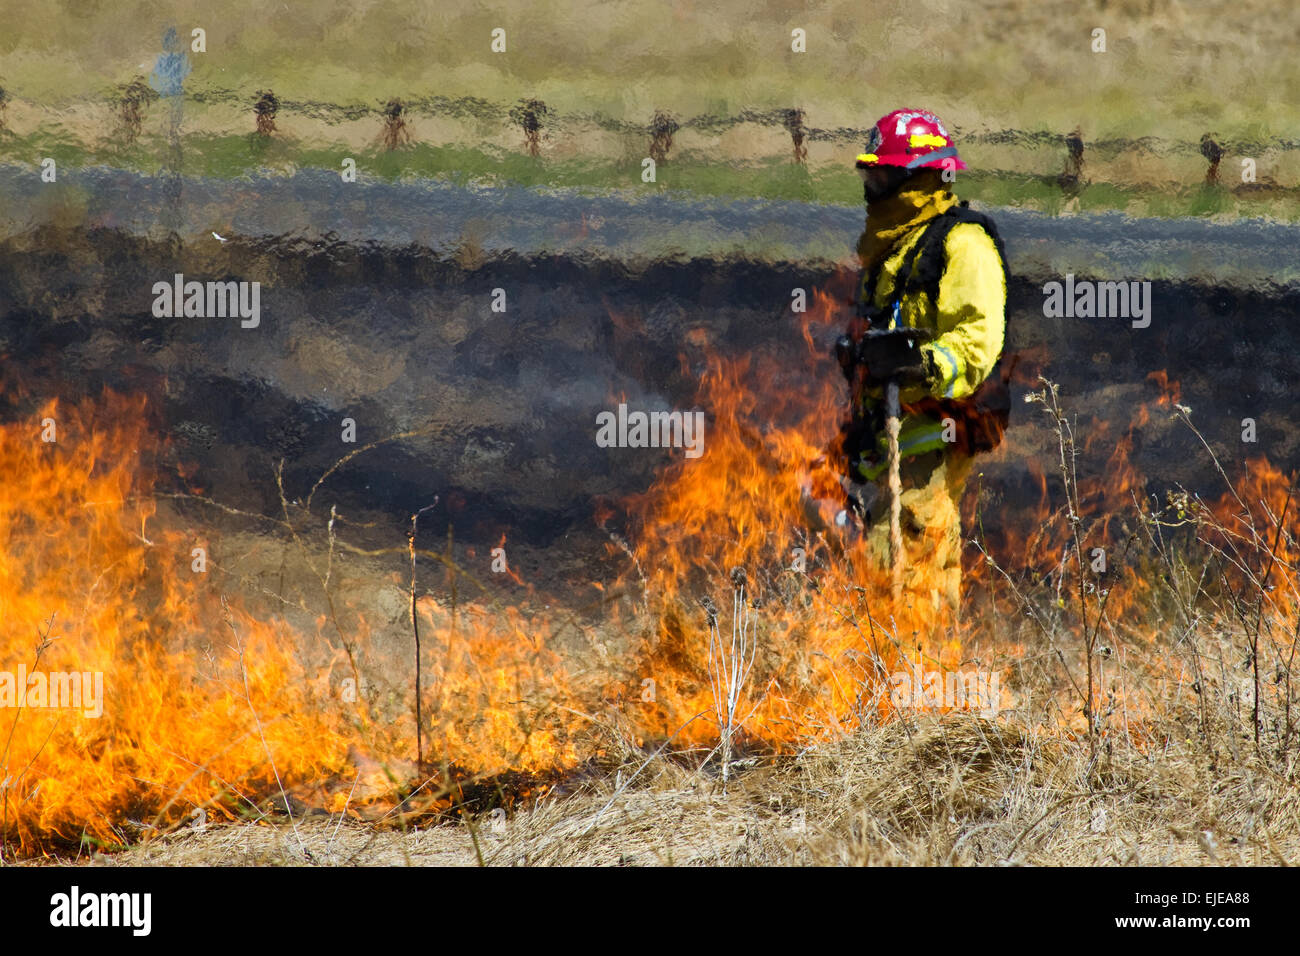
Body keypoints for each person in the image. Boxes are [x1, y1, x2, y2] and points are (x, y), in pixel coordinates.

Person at [836, 108, 1010, 610]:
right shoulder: (891, 251)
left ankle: (911, 680)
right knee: (877, 567)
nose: (872, 185)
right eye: (870, 174)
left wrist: (923, 366)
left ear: (918, 178)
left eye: (883, 173)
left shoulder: (963, 244)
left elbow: (977, 341)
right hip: (883, 440)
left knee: (909, 576)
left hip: (933, 438)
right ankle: (894, 678)